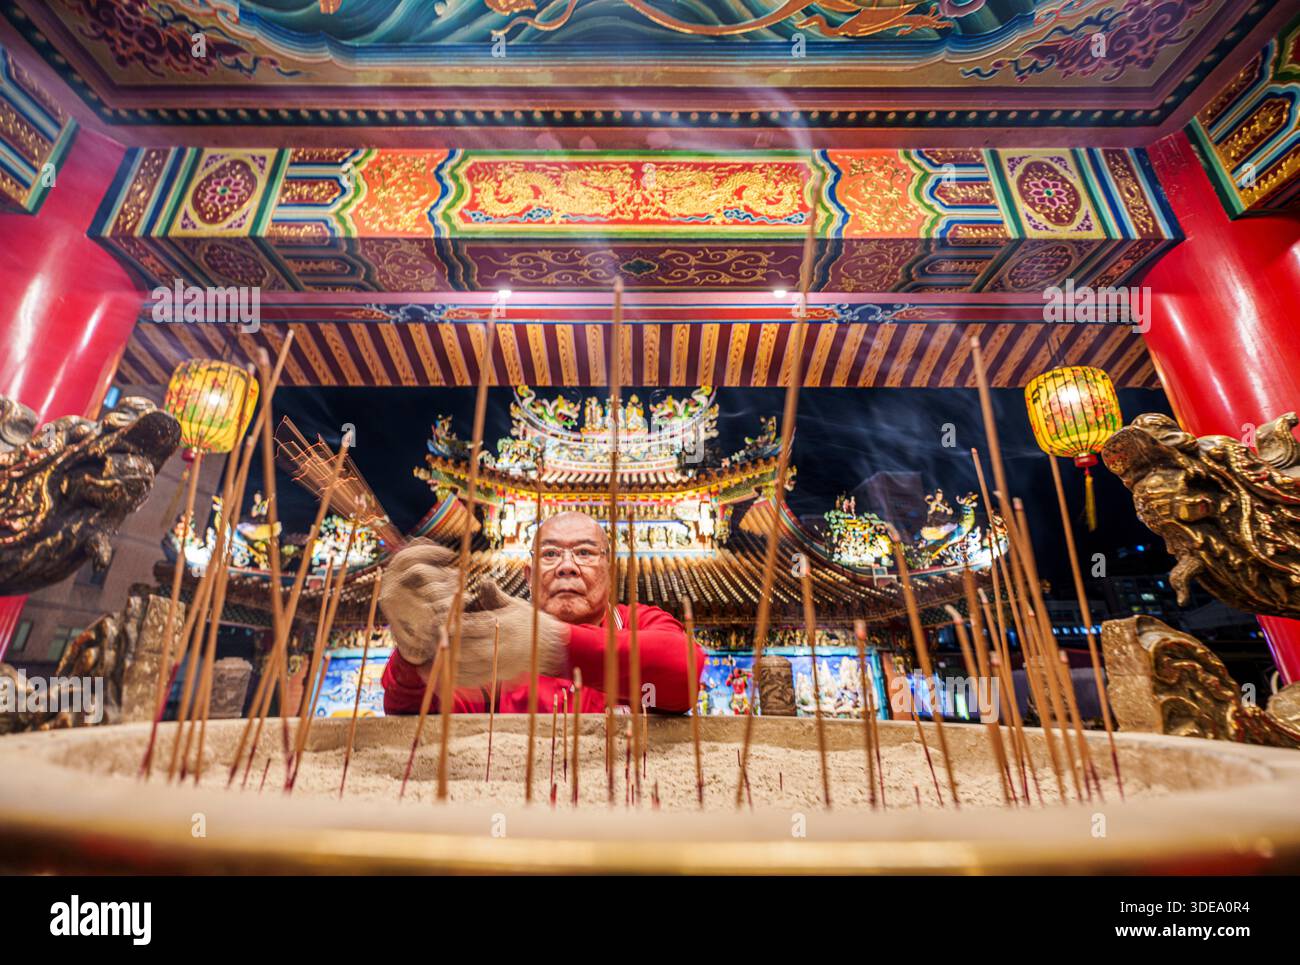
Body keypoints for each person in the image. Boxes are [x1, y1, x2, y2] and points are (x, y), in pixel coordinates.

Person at [379, 511, 703, 716]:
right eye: (550, 554)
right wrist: (415, 654)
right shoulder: (497, 638)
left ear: (611, 571)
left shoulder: (639, 623)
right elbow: (421, 712)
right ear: (528, 576)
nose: (566, 566)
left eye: (585, 553)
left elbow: (682, 675)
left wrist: (548, 642)